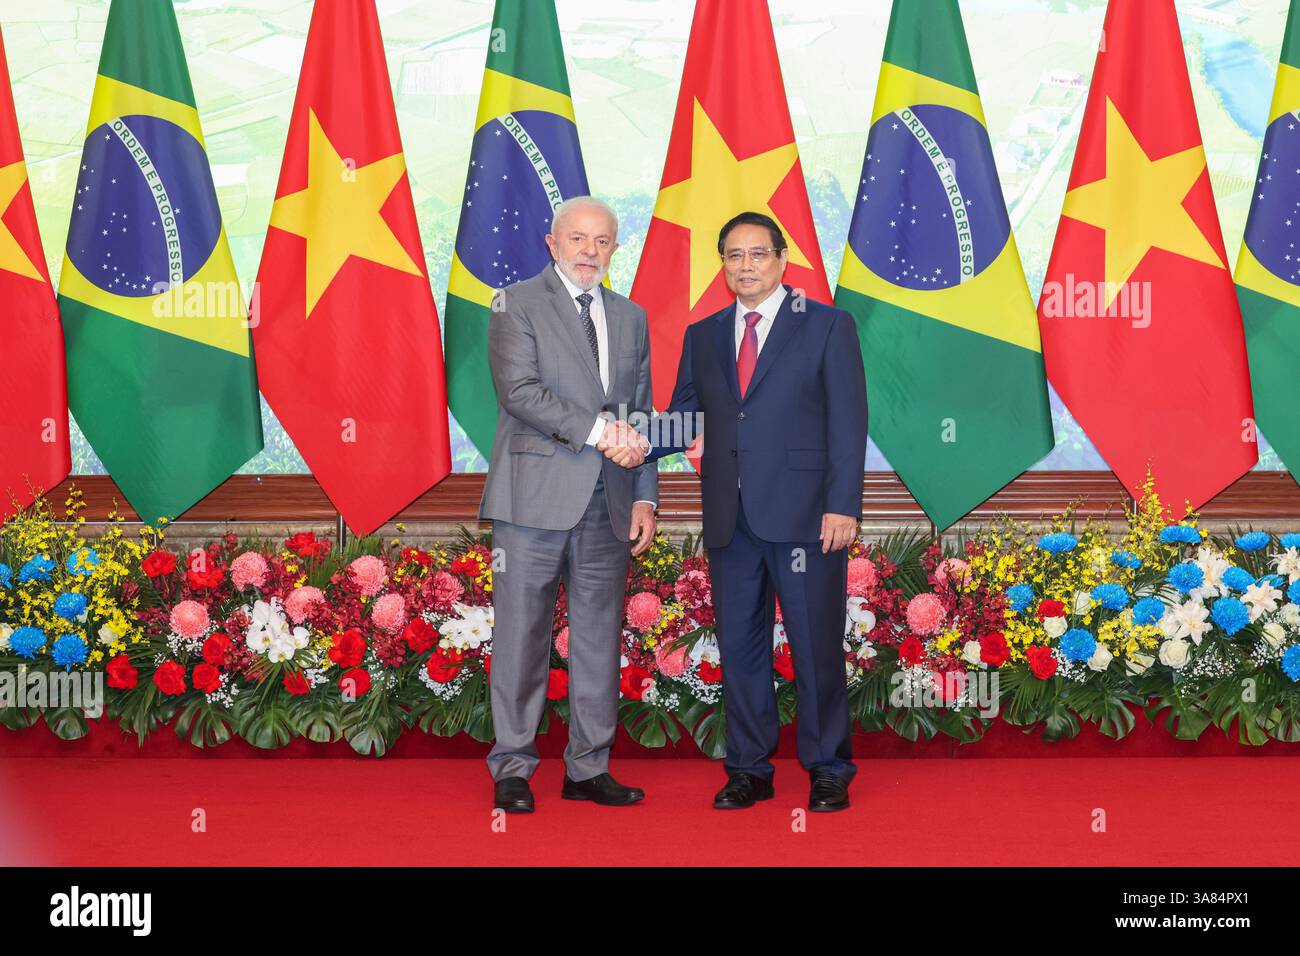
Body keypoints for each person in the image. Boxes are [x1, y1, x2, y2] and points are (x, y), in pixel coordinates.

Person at [606, 211, 867, 811]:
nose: (745, 266)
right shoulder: (705, 335)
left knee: (816, 647)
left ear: (782, 259)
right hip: (730, 519)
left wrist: (842, 505)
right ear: (722, 265)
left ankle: (828, 767)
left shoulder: (827, 325)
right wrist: (630, 437)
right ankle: (749, 768)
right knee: (741, 648)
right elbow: (685, 416)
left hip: (807, 520)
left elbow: (849, 421)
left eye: (757, 253)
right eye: (733, 255)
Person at [480, 196, 658, 813]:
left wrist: (645, 497)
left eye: (602, 241)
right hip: (532, 501)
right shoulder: (513, 303)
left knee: (598, 639)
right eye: (578, 239)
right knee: (521, 636)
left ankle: (588, 767)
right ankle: (513, 767)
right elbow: (520, 391)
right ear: (552, 244)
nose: (590, 251)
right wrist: (602, 432)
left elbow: (640, 412)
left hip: (611, 502)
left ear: (615, 250)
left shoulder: (631, 316)